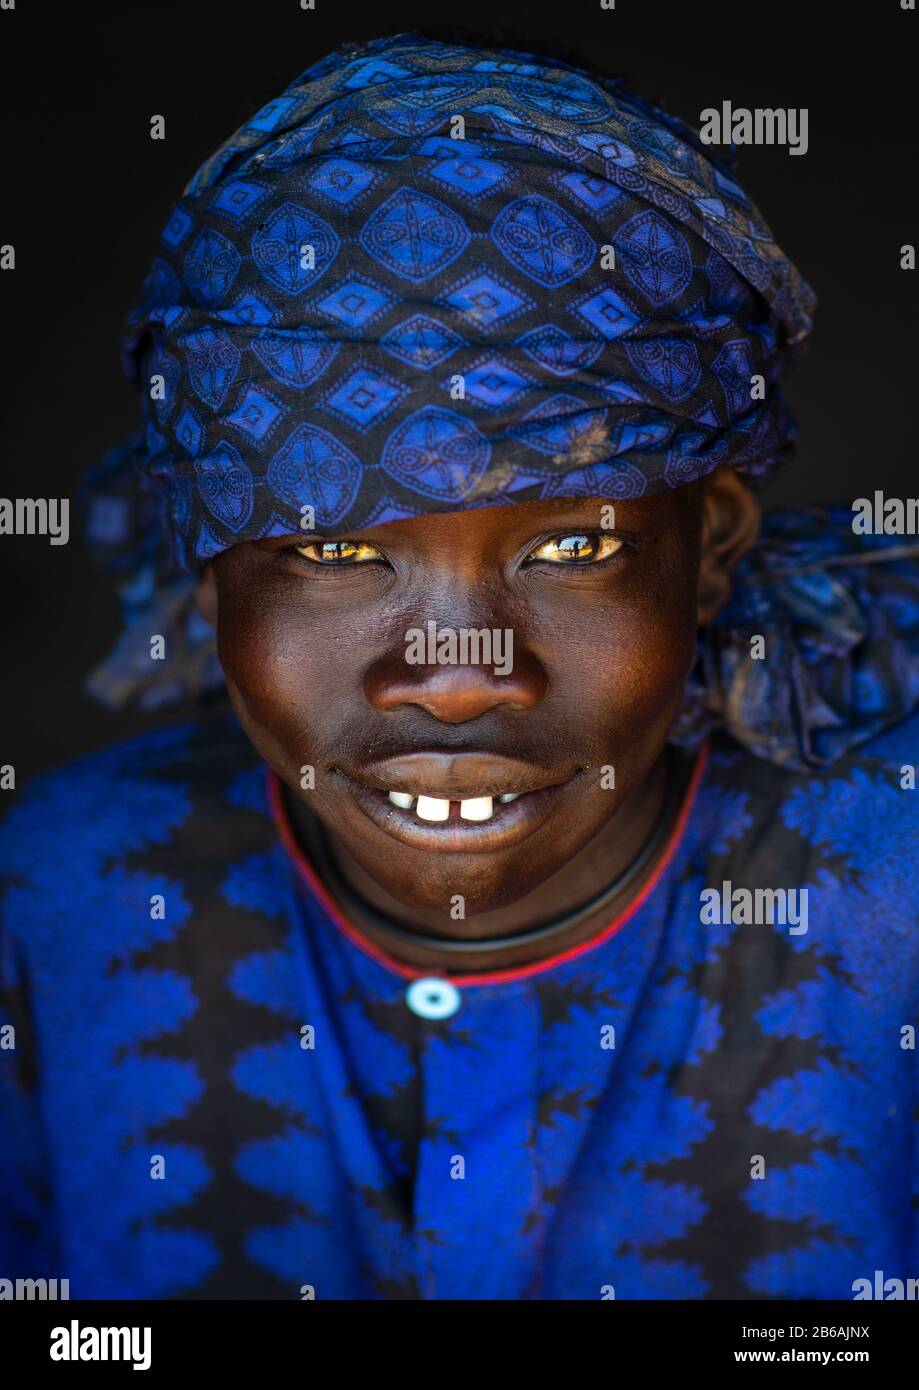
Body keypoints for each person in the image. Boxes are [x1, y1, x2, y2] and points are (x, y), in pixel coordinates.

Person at [1, 33, 917, 1301]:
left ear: (709, 547)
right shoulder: (59, 894)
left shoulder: (893, 903)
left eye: (572, 544)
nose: (455, 675)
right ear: (207, 557)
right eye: (332, 545)